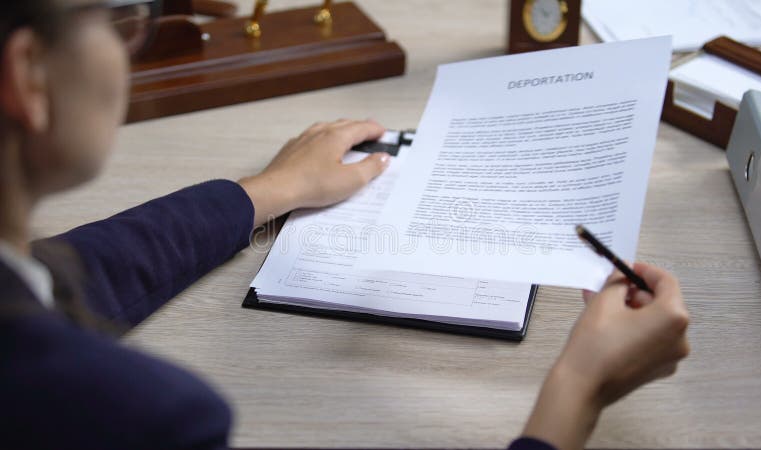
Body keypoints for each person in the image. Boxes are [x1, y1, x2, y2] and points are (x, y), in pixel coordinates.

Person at [0, 1, 690, 449]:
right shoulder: (148, 422)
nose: (129, 43)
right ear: (29, 76)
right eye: (123, 17)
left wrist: (267, 190)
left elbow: (65, 272)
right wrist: (580, 389)